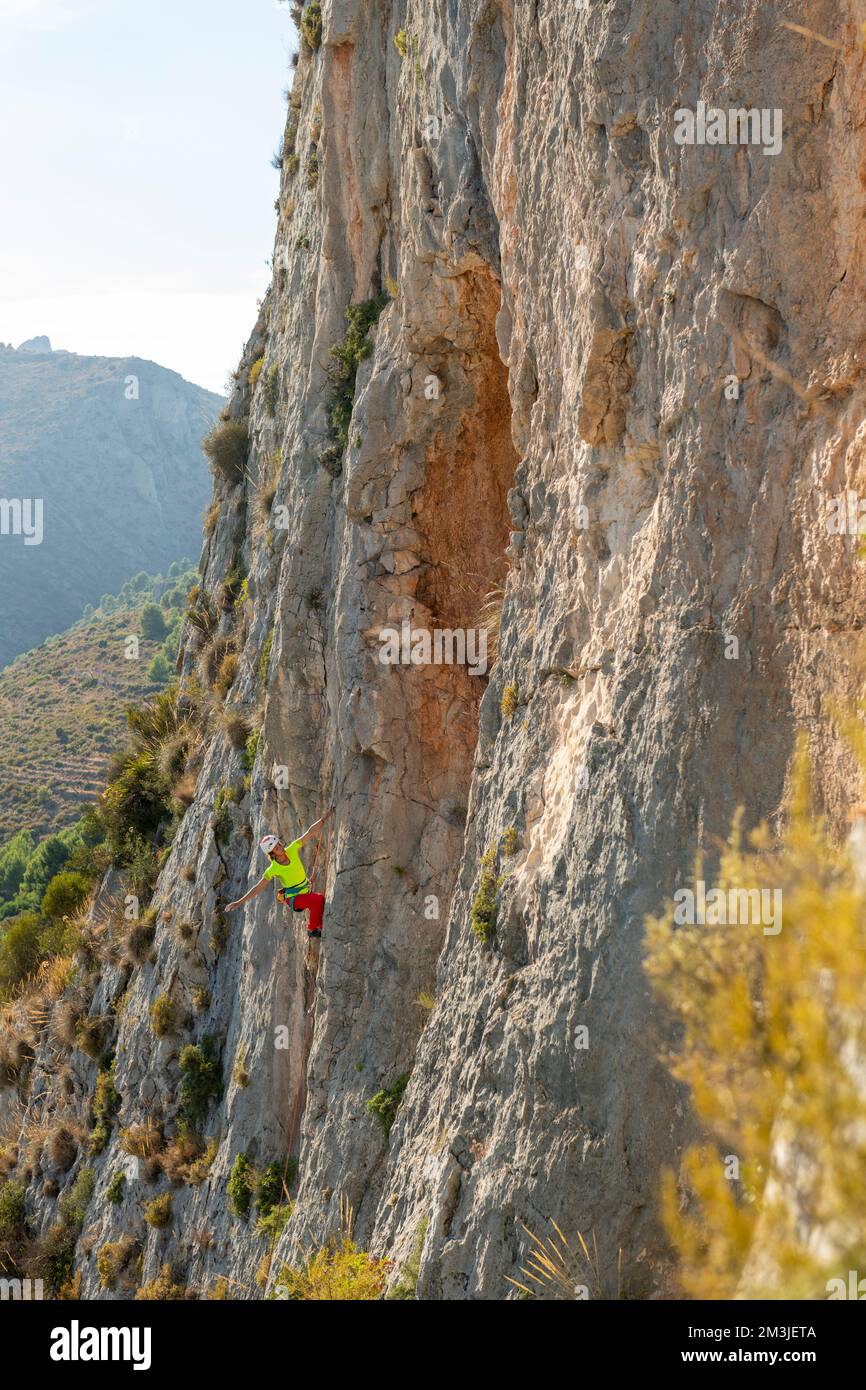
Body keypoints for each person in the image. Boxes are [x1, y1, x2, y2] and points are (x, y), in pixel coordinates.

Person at [225, 806, 334, 938]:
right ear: (272, 854)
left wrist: (324, 818)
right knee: (319, 900)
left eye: (279, 844)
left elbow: (309, 833)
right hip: (293, 899)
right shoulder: (273, 869)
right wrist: (239, 902)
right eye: (276, 848)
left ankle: (319, 925)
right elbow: (258, 887)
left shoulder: (292, 849)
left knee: (316, 901)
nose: (280, 848)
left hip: (304, 891)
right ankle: (312, 929)